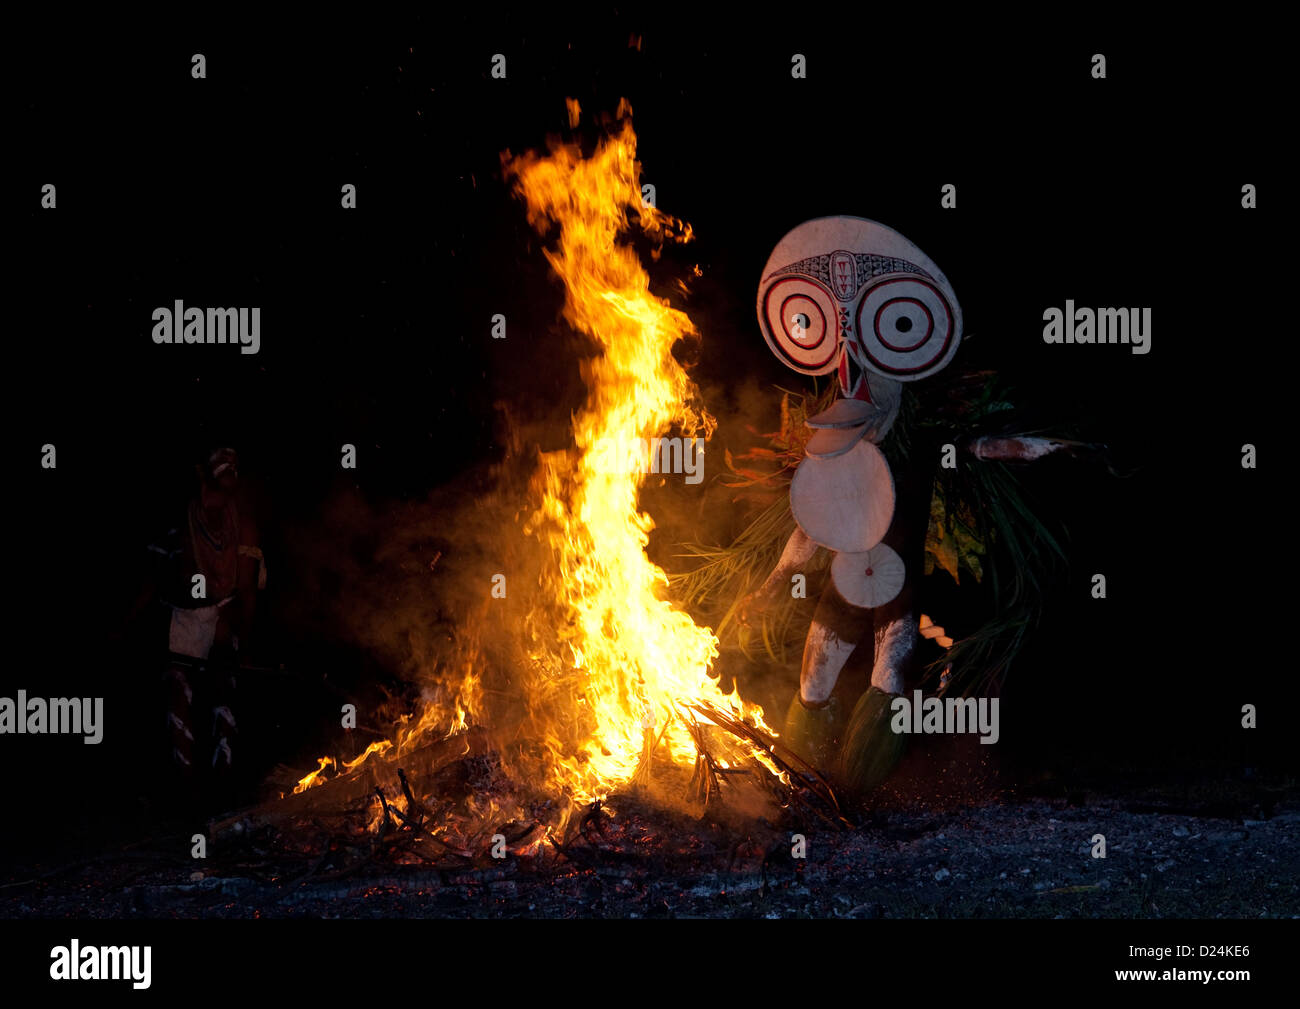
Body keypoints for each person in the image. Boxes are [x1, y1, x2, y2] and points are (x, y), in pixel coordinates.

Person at [144, 447, 265, 804]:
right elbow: (152, 581)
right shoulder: (179, 520)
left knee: (223, 699)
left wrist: (241, 637)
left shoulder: (241, 523)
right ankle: (185, 790)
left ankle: (222, 788)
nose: (228, 483)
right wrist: (127, 625)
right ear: (205, 480)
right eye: (221, 476)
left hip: (222, 616)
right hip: (180, 620)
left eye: (233, 476)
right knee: (178, 703)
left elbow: (246, 590)